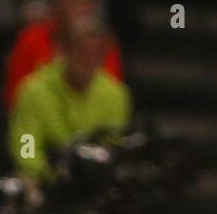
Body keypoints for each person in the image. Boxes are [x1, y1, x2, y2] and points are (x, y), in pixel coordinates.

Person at [8, 16, 130, 184]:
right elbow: (25, 146)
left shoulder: (116, 94)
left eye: (96, 55)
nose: (88, 62)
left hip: (94, 181)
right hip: (44, 179)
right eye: (82, 53)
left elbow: (113, 147)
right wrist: (48, 173)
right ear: (63, 51)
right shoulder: (34, 90)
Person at [3, 0, 123, 109]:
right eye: (70, 2)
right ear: (53, 7)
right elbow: (14, 96)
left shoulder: (104, 43)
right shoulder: (31, 39)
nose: (77, 9)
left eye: (83, 2)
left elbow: (113, 94)